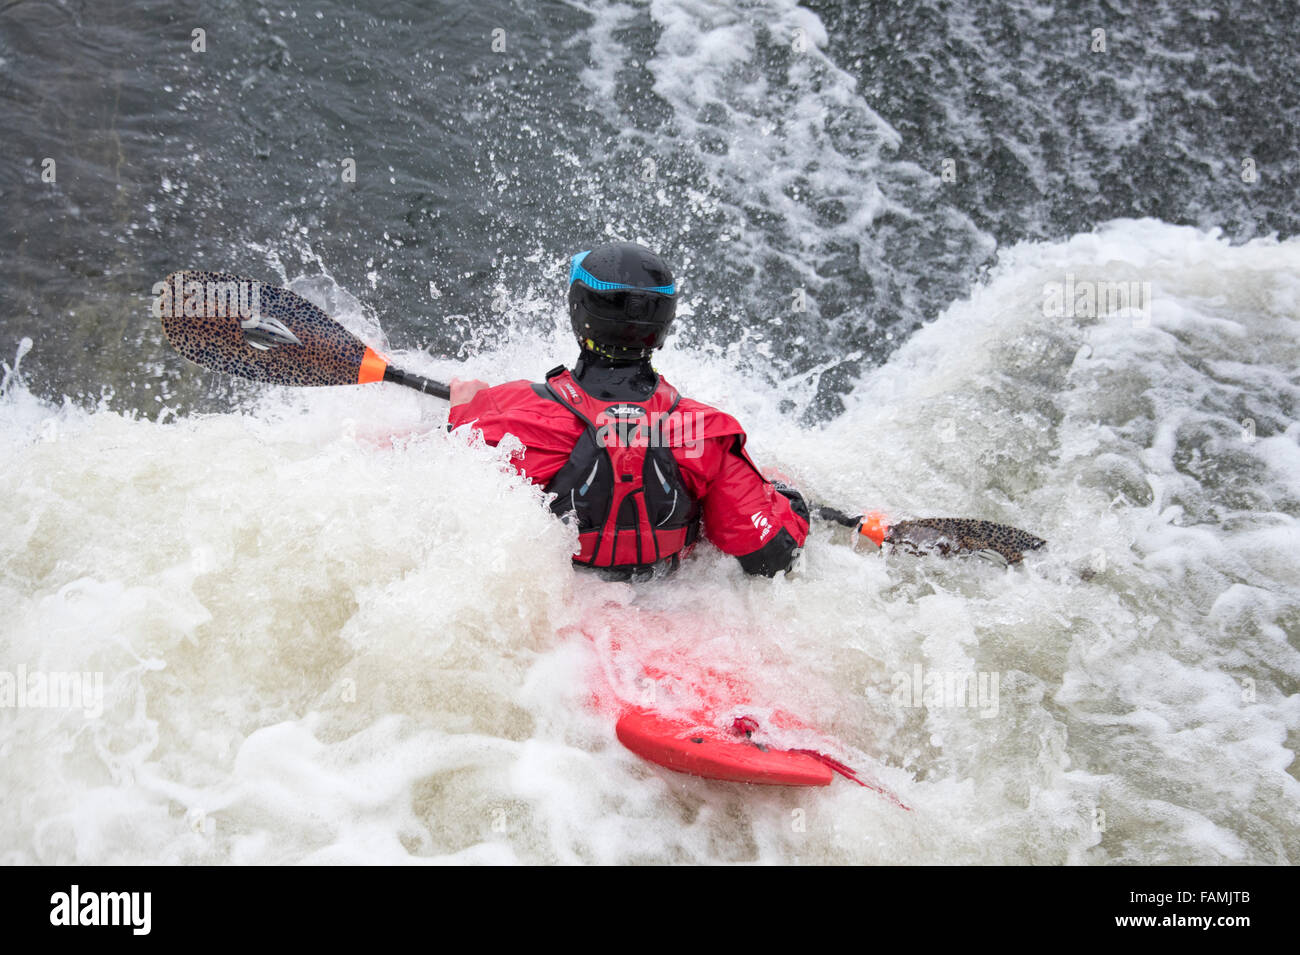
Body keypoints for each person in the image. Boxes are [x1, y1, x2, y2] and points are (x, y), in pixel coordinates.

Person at [447, 241, 809, 580]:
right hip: (666, 603)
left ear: (578, 311)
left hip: (566, 606)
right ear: (663, 325)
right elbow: (769, 557)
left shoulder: (508, 415)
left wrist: (463, 411)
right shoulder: (707, 432)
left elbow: (453, 496)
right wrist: (784, 490)